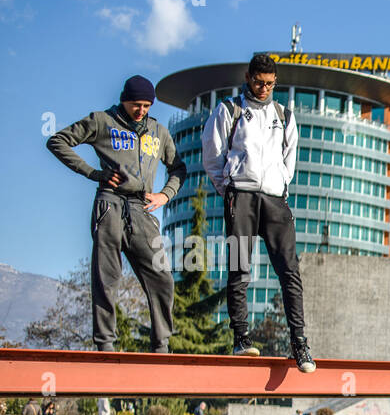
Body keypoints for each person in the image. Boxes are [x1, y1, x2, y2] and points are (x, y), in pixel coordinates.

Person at [47, 75, 185, 353]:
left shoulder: (158, 132)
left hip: (142, 208)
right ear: (124, 100)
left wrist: (165, 195)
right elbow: (57, 141)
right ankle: (105, 344)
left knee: (162, 277)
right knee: (106, 276)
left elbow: (178, 168)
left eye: (147, 105)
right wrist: (93, 173)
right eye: (136, 105)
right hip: (109, 204)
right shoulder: (102, 121)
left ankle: (161, 344)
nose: (141, 110)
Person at [202, 53, 315, 373]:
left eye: (269, 83)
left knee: (290, 272)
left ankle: (299, 342)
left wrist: (280, 187)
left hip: (275, 200)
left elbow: (289, 159)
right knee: (239, 267)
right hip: (241, 196)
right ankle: (241, 337)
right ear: (248, 78)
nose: (263, 88)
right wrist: (230, 189)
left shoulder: (284, 115)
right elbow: (212, 155)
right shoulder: (229, 110)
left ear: (275, 82)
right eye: (258, 82)